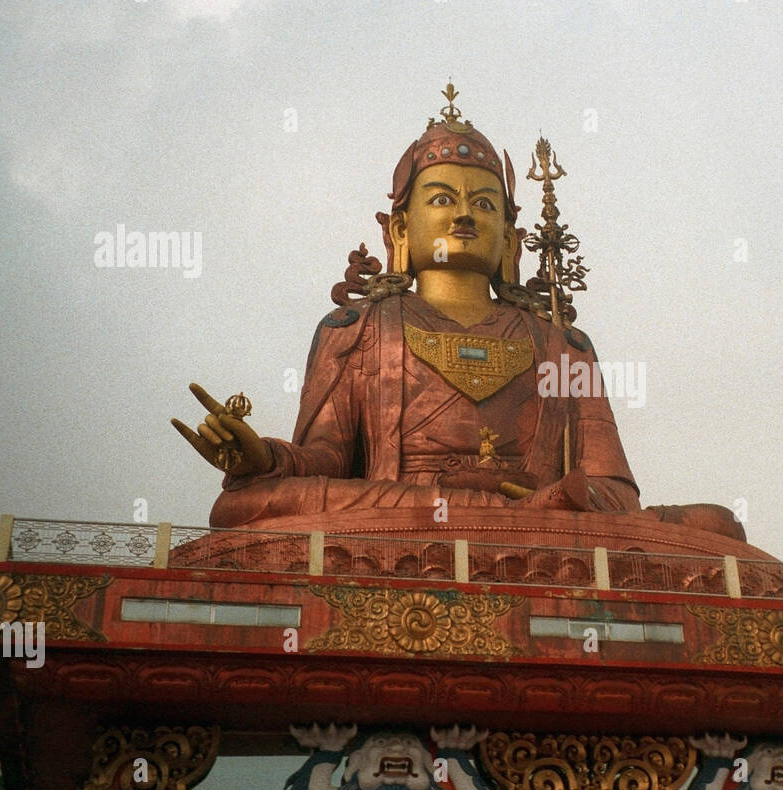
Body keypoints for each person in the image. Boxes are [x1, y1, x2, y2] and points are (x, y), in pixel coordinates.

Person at [172, 86, 743, 540]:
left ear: (511, 239)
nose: (464, 216)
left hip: (537, 523)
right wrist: (263, 458)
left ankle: (506, 524)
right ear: (400, 228)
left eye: (485, 203)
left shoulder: (564, 345)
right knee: (245, 504)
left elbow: (616, 496)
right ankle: (485, 519)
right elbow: (325, 464)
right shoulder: (356, 331)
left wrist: (564, 498)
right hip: (402, 516)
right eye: (442, 198)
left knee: (716, 523)